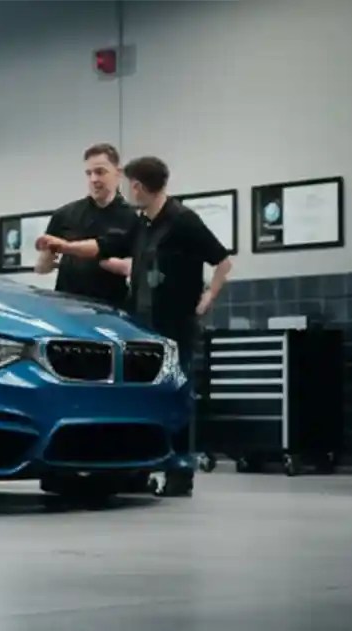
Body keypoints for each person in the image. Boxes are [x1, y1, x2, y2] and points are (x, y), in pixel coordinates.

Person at [107, 155, 233, 496]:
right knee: (143, 397)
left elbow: (223, 261)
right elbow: (134, 264)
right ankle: (141, 467)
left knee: (177, 397)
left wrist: (209, 297)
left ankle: (180, 472)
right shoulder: (143, 223)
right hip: (143, 326)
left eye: (127, 185)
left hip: (176, 326)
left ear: (136, 186)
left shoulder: (183, 220)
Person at [33, 143, 140, 308]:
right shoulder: (65, 214)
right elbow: (42, 268)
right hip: (67, 306)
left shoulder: (131, 218)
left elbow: (136, 266)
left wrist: (66, 247)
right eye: (89, 173)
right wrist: (48, 254)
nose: (94, 179)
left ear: (117, 174)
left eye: (100, 172)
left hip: (110, 310)